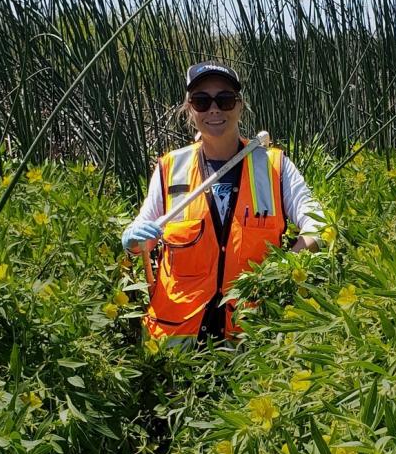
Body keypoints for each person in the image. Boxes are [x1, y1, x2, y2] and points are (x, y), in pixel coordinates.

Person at [121, 61, 323, 345]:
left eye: (225, 100)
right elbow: (144, 234)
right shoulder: (171, 167)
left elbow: (318, 224)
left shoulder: (275, 166)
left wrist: (284, 268)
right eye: (201, 101)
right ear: (190, 109)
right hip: (175, 339)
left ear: (240, 106)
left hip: (250, 337)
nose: (214, 109)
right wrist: (133, 240)